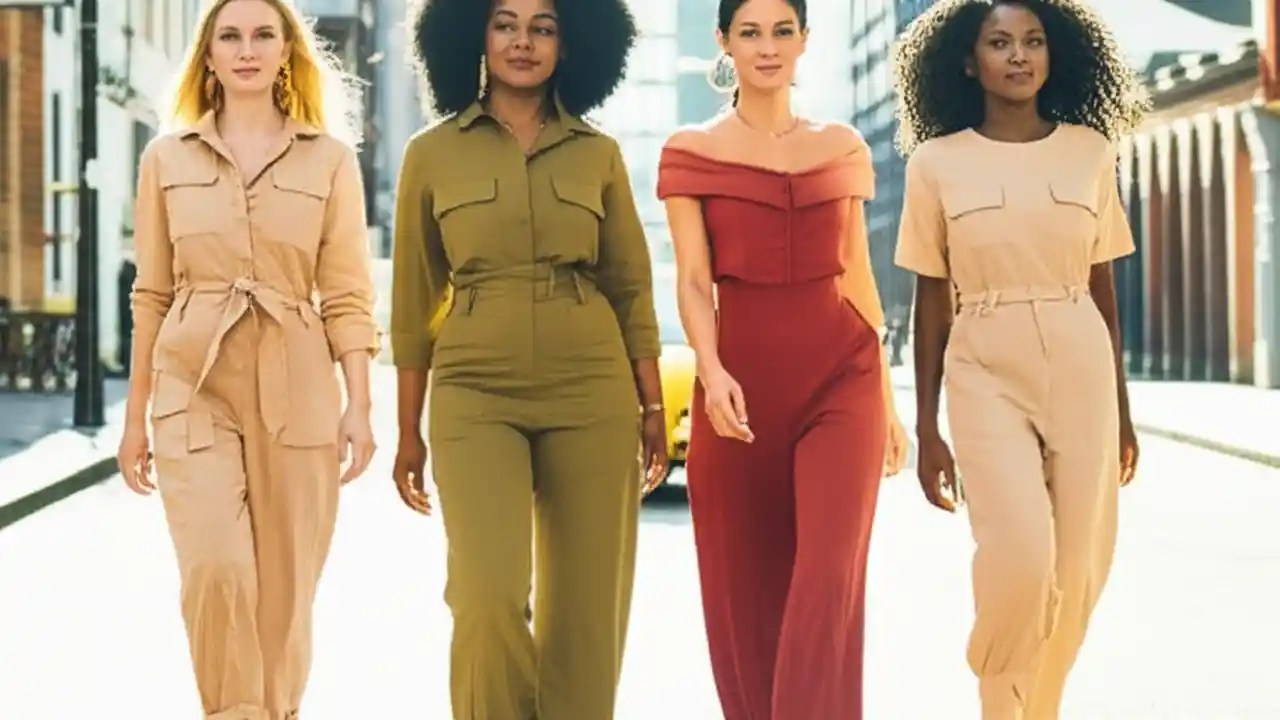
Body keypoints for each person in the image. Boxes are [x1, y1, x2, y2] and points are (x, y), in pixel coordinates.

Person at [390, 0, 667, 717]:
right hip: (475, 388)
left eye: (542, 26)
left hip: (591, 386)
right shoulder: (431, 153)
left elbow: (632, 288)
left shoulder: (598, 154)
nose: (523, 41)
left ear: (570, 44)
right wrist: (405, 432)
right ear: (473, 35)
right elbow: (413, 304)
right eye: (505, 23)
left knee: (586, 614)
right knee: (486, 594)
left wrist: (653, 410)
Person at [114, 0, 378, 717]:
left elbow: (348, 295)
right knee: (218, 570)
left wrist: (360, 405)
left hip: (298, 387)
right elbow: (151, 294)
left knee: (286, 594)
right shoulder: (166, 158)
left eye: (265, 34)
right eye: (229, 35)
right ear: (207, 55)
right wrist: (135, 418)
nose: (247, 49)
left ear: (289, 50)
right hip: (190, 383)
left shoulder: (331, 161)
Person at [891, 0, 1148, 717]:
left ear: (1053, 52)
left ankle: (1042, 705)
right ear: (968, 61)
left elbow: (1103, 287)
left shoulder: (1092, 152)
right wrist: (927, 425)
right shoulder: (935, 164)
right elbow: (931, 299)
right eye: (999, 42)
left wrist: (1123, 412)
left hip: (1081, 361)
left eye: (1032, 41)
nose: (1019, 56)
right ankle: (1000, 700)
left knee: (1079, 567)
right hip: (983, 363)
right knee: (1021, 558)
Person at [657, 0, 908, 717]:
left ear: (804, 40)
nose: (767, 47)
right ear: (724, 44)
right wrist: (711, 372)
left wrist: (888, 404)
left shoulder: (844, 146)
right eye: (750, 32)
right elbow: (694, 280)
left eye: (782, 31)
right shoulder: (690, 151)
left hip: (844, 378)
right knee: (750, 595)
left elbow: (858, 277)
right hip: (741, 386)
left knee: (829, 579)